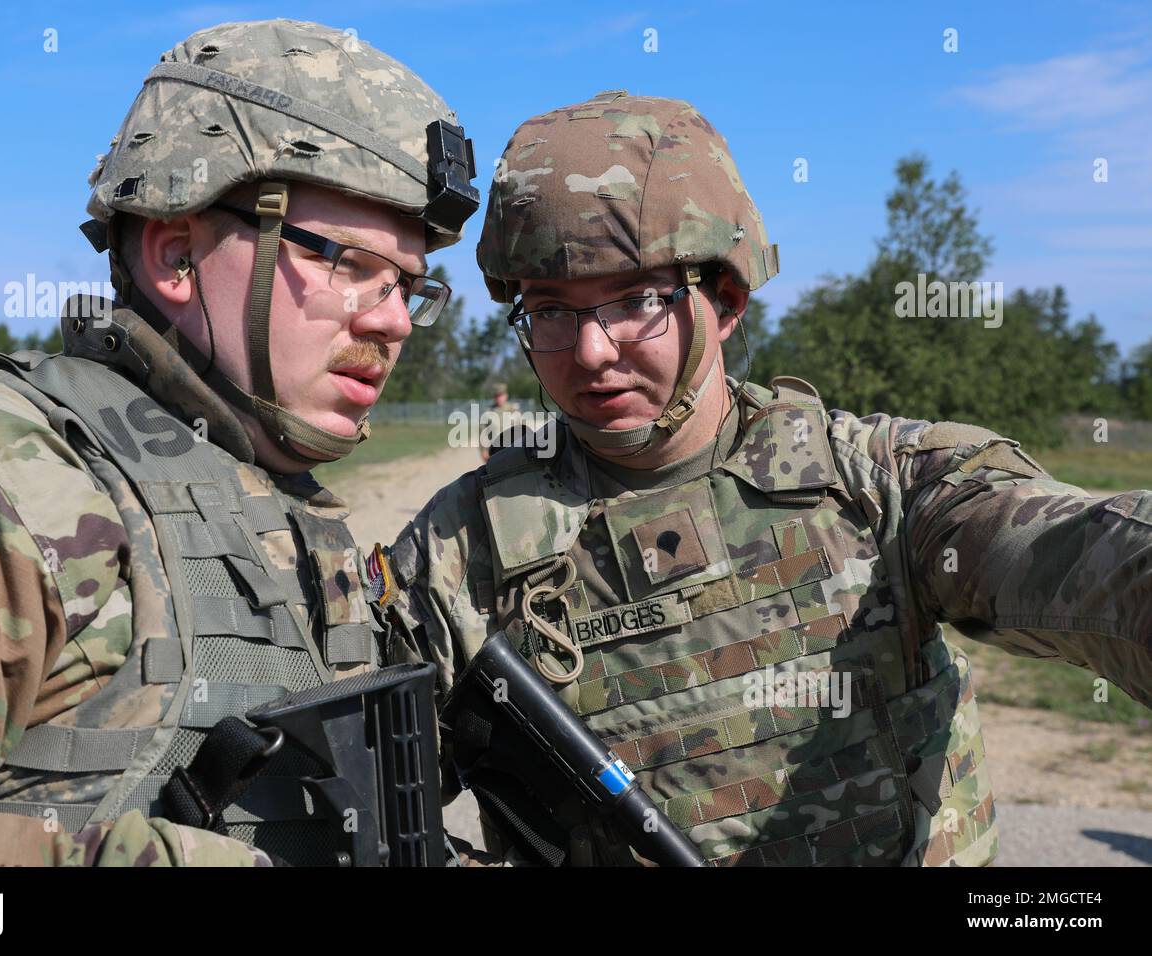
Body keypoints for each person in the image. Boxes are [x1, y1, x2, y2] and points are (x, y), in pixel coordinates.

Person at [377, 91, 1152, 866]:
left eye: (637, 300)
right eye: (550, 310)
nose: (590, 352)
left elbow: (1083, 558)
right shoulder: (462, 552)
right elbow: (358, 810)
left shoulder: (880, 485)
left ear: (727, 301)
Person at [0, 18, 477, 866]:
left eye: (408, 284)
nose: (394, 319)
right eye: (349, 263)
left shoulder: (277, 500)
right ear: (176, 253)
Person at [480, 382, 522, 461]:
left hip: (512, 449)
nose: (499, 398)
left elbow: (522, 430)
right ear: (494, 397)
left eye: (501, 395)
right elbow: (482, 433)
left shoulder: (514, 410)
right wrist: (483, 451)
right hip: (494, 450)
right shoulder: (488, 412)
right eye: (496, 396)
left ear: (506, 396)